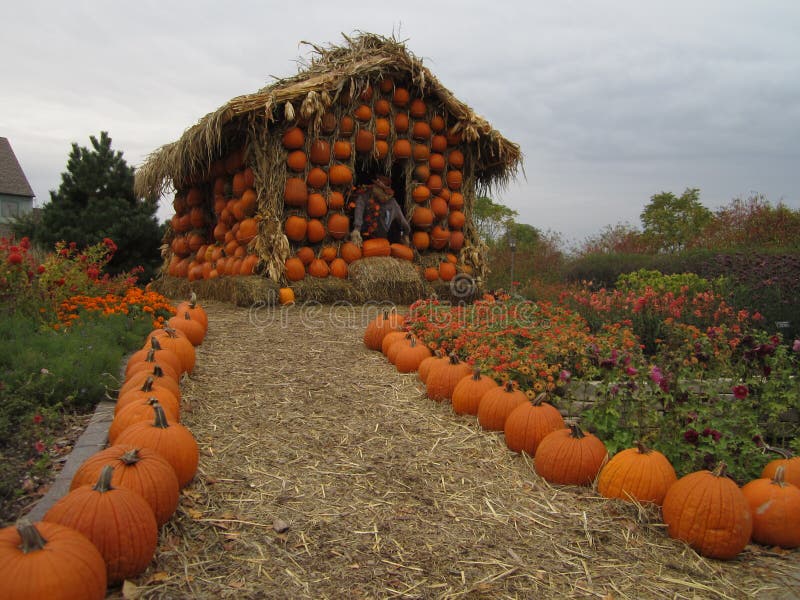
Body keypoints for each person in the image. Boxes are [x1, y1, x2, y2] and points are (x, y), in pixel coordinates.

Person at [350, 176, 411, 247]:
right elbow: (358, 212)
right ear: (375, 187)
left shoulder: (392, 203)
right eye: (383, 192)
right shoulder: (364, 198)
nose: (386, 196)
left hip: (383, 242)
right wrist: (357, 229)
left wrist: (406, 234)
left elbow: (403, 223)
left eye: (387, 194)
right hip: (364, 240)